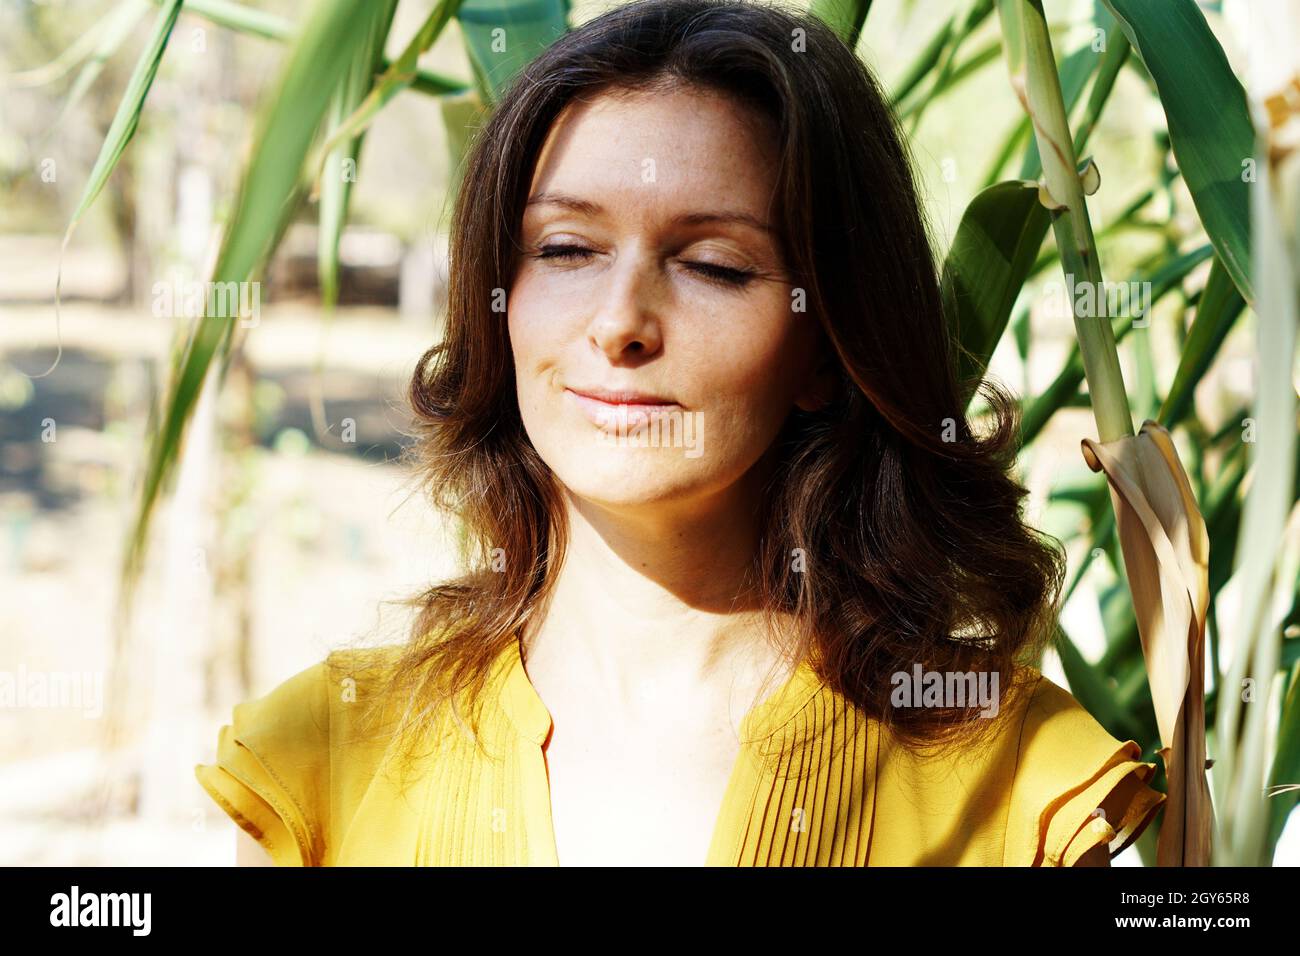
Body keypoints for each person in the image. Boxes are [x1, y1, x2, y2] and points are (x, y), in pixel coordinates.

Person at [196, 0, 1165, 867]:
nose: (619, 322)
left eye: (711, 265)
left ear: (827, 345)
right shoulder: (319, 764)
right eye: (566, 249)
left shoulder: (1014, 777)